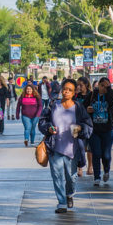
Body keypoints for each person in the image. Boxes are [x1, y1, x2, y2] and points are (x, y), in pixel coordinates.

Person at [39, 78, 93, 213]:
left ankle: (70, 193)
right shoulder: (53, 105)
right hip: (55, 146)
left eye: (70, 90)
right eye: (64, 89)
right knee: (57, 176)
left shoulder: (78, 108)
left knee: (71, 177)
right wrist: (48, 128)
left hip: (72, 148)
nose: (66, 92)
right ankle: (61, 202)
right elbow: (42, 122)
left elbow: (88, 125)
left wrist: (80, 128)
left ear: (74, 92)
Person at [87, 77, 113, 186]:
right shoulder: (92, 95)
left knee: (106, 155)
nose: (104, 88)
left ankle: (106, 170)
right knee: (96, 153)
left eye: (107, 86)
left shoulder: (109, 96)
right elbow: (82, 108)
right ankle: (97, 177)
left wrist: (109, 89)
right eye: (102, 86)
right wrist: (88, 109)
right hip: (94, 130)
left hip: (107, 130)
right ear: (99, 85)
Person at [15, 82, 42, 146]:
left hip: (35, 116)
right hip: (25, 115)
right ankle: (26, 139)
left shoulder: (37, 96)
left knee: (33, 128)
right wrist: (17, 114)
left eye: (30, 89)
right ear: (25, 90)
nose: (28, 90)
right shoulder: (22, 96)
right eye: (27, 89)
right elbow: (18, 106)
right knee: (28, 127)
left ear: (33, 90)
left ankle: (32, 142)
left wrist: (38, 114)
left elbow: (40, 106)